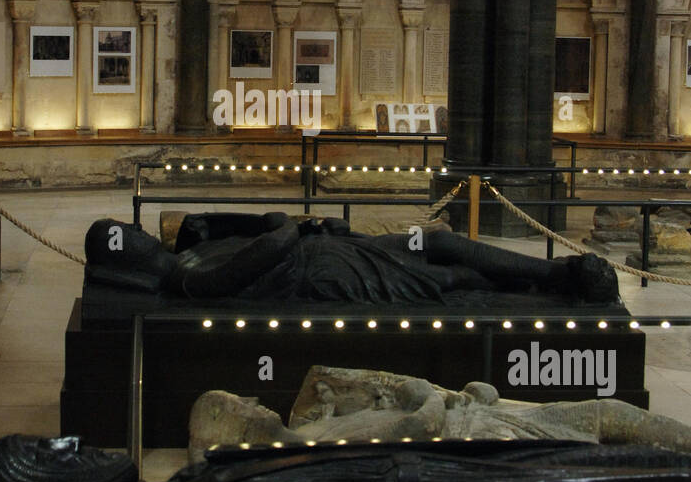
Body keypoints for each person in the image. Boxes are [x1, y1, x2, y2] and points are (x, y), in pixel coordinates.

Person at [84, 210, 620, 305]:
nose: (130, 230)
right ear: (124, 260)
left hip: (333, 250)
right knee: (450, 275)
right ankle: (541, 285)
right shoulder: (189, 280)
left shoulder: (189, 253)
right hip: (333, 274)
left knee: (434, 240)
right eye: (119, 235)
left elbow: (261, 236)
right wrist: (285, 224)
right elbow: (272, 245)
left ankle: (555, 273)